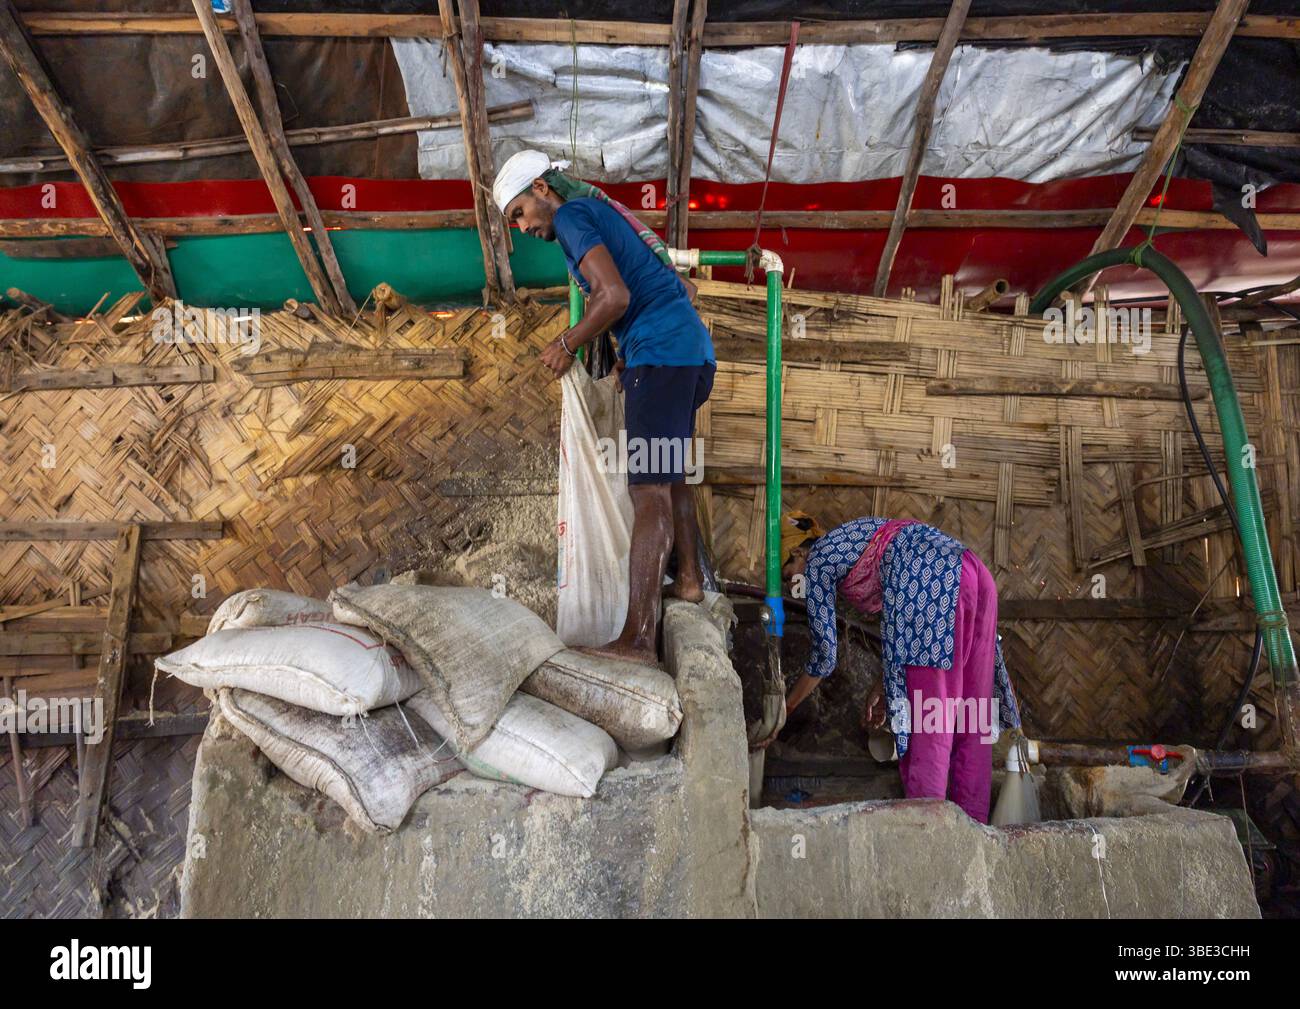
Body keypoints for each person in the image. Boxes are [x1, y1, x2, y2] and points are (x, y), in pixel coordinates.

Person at [492, 149, 715, 666]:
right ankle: (688, 582)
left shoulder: (572, 216)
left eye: (519, 213)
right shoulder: (602, 217)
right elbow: (682, 287)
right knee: (672, 473)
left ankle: (637, 638)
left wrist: (567, 343)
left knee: (649, 491)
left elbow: (612, 297)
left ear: (543, 189)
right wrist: (626, 353)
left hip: (662, 358)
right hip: (688, 357)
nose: (521, 227)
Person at [768, 512, 1022, 823]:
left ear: (797, 552)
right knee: (972, 713)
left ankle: (927, 829)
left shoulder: (819, 559)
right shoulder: (853, 538)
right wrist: (883, 685)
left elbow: (825, 655)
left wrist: (787, 708)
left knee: (930, 723)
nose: (792, 581)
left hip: (930, 586)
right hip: (972, 572)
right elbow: (900, 634)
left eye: (787, 573)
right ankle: (974, 825)